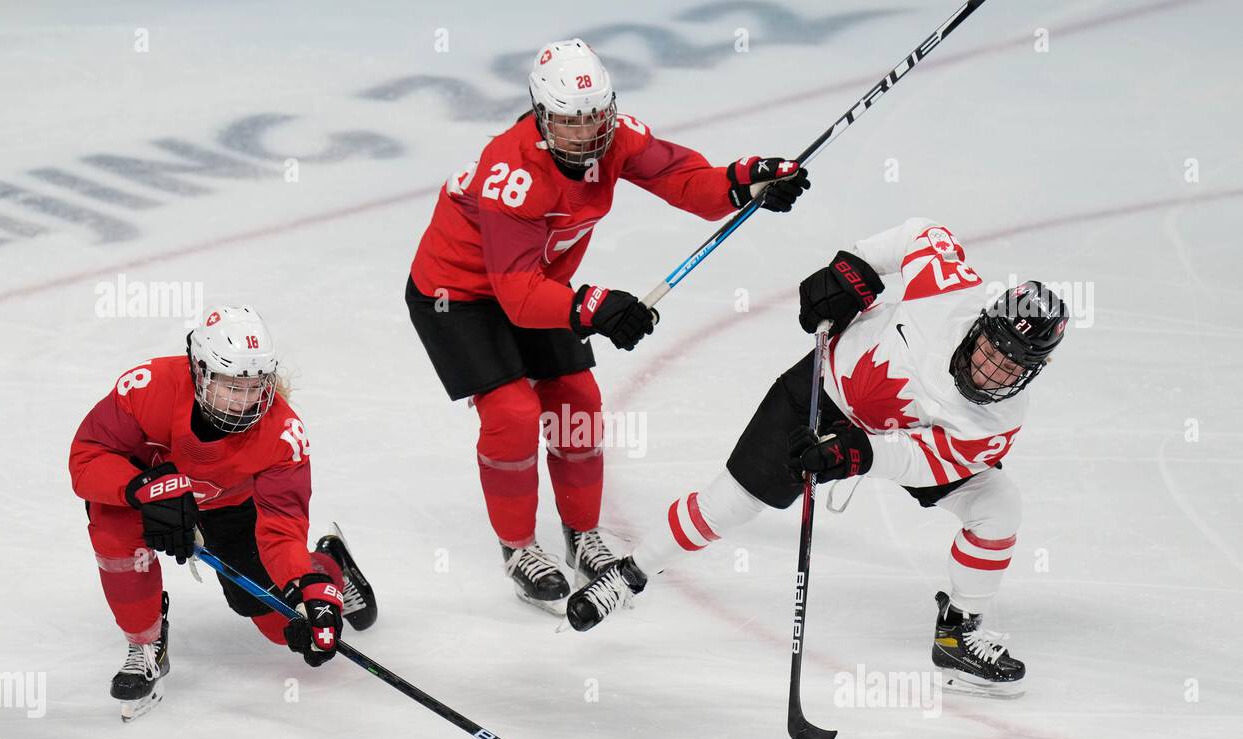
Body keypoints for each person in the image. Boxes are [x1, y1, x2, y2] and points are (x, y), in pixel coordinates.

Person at [565, 218, 1069, 698]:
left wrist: (854, 454)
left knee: (998, 505)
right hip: (820, 390)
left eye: (1011, 366)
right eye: (991, 348)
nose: (990, 370)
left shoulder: (998, 422)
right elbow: (921, 234)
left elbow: (920, 460)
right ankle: (629, 573)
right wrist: (851, 273)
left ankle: (957, 634)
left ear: (1036, 370)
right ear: (982, 323)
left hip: (898, 439)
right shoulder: (948, 292)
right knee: (728, 505)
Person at [406, 37, 809, 614]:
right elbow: (516, 296)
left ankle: (581, 534)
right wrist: (593, 306)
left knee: (577, 402)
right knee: (513, 415)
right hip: (459, 295)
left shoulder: (615, 137)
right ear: (543, 119)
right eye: (571, 122)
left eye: (597, 115)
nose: (587, 132)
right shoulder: (511, 173)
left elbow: (686, 181)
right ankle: (518, 547)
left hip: (533, 283)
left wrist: (746, 181)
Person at [69, 307, 377, 721]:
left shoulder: (283, 435)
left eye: (254, 386)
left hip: (232, 508)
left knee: (276, 625)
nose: (244, 400)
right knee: (112, 526)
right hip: (149, 494)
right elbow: (86, 458)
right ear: (198, 369)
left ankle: (331, 563)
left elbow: (281, 525)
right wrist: (143, 487)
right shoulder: (147, 388)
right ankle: (144, 645)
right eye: (230, 385)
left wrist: (311, 585)